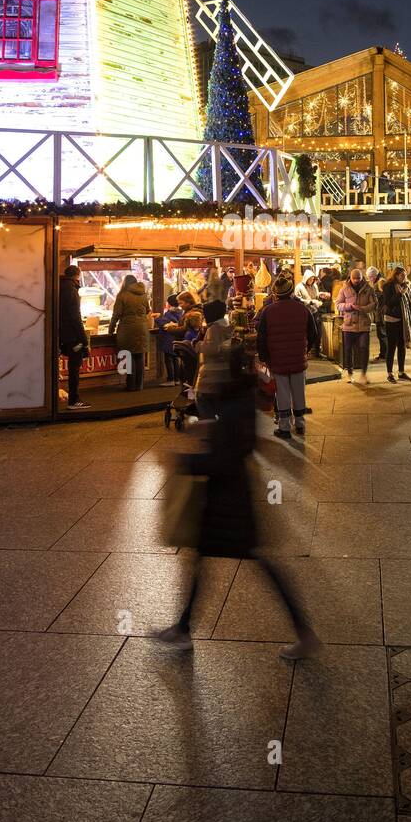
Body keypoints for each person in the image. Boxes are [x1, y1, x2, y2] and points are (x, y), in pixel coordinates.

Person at [155, 353, 321, 659]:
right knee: (210, 561)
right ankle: (183, 628)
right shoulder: (243, 402)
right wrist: (208, 430)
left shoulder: (232, 408)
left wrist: (186, 462)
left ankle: (303, 632)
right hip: (233, 498)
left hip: (226, 503)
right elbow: (238, 443)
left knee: (236, 562)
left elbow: (224, 458)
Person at [256, 270, 317, 437]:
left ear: (275, 294)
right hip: (298, 358)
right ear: (291, 293)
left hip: (277, 360)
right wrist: (305, 349)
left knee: (282, 393)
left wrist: (264, 358)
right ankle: (300, 425)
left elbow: (261, 338)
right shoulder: (303, 309)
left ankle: (284, 427)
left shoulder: (267, 312)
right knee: (299, 392)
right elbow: (313, 334)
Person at [335, 265, 377, 383]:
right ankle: (350, 373)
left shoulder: (369, 288)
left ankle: (364, 373)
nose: (357, 281)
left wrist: (363, 309)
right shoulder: (344, 289)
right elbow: (338, 304)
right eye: (354, 278)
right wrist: (349, 306)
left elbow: (374, 304)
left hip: (363, 324)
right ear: (351, 278)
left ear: (362, 277)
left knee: (364, 348)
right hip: (348, 325)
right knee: (348, 350)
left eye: (358, 278)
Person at [110, 273, 151, 391]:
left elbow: (116, 314)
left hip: (127, 329)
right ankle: (139, 385)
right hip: (142, 328)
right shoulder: (143, 295)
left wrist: (111, 329)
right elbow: (148, 310)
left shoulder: (122, 295)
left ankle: (131, 385)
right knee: (140, 355)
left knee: (129, 356)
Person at [58, 264, 90, 411]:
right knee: (74, 368)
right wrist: (84, 340)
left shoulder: (59, 287)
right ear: (77, 275)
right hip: (73, 338)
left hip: (62, 336)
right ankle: (74, 400)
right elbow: (75, 317)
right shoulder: (72, 290)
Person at [194, 299, 232, 420]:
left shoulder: (214, 329)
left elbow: (212, 349)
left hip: (211, 376)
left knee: (201, 400)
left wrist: (198, 344)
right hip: (224, 373)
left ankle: (210, 427)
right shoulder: (226, 326)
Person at [380, 265, 411, 382]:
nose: (404, 277)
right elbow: (389, 304)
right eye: (402, 275)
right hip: (391, 320)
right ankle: (390, 373)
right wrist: (400, 294)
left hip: (404, 320)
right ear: (396, 276)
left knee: (402, 347)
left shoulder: (406, 285)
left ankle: (401, 372)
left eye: (405, 275)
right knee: (391, 347)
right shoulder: (388, 286)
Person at [155, 293, 185, 384]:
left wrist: (157, 318)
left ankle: (170, 379)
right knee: (175, 359)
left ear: (170, 304)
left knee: (168, 359)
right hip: (176, 339)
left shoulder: (169, 314)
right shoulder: (180, 313)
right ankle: (177, 379)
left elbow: (164, 324)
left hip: (168, 340)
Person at [366, 266, 387, 362]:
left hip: (382, 313)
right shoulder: (376, 282)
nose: (370, 279)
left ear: (375, 275)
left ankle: (384, 355)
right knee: (382, 334)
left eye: (371, 276)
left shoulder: (380, 282)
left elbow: (381, 297)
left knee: (382, 334)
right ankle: (384, 354)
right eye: (369, 277)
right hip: (380, 312)